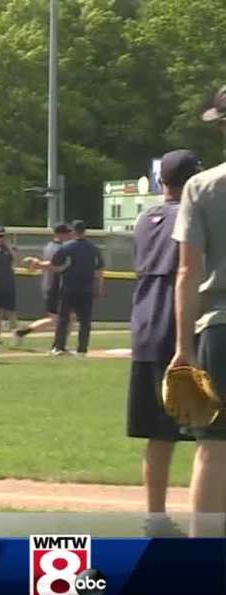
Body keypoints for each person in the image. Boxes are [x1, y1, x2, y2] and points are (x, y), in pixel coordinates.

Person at [129, 149, 201, 537]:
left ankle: (155, 518)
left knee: (160, 432)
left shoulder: (144, 218)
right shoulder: (191, 213)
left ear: (160, 182)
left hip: (144, 326)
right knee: (212, 437)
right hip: (181, 327)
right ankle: (208, 522)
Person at [170, 84, 226, 537]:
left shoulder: (202, 186)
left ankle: (201, 560)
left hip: (221, 331)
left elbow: (187, 273)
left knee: (214, 449)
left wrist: (182, 347)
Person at [43, 220, 104, 356]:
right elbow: (99, 270)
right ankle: (82, 349)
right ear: (85, 231)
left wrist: (39, 264)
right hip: (86, 289)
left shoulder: (66, 247)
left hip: (68, 288)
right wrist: (99, 288)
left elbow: (55, 265)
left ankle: (59, 347)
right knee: (85, 321)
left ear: (73, 231)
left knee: (63, 318)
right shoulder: (94, 248)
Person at [14, 222, 74, 347]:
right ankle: (58, 346)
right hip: (55, 286)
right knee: (63, 319)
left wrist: (37, 263)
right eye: (67, 233)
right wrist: (37, 264)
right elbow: (53, 265)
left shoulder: (49, 246)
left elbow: (47, 264)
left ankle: (58, 344)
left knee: (63, 318)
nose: (70, 235)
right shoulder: (59, 248)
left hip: (50, 285)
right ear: (59, 234)